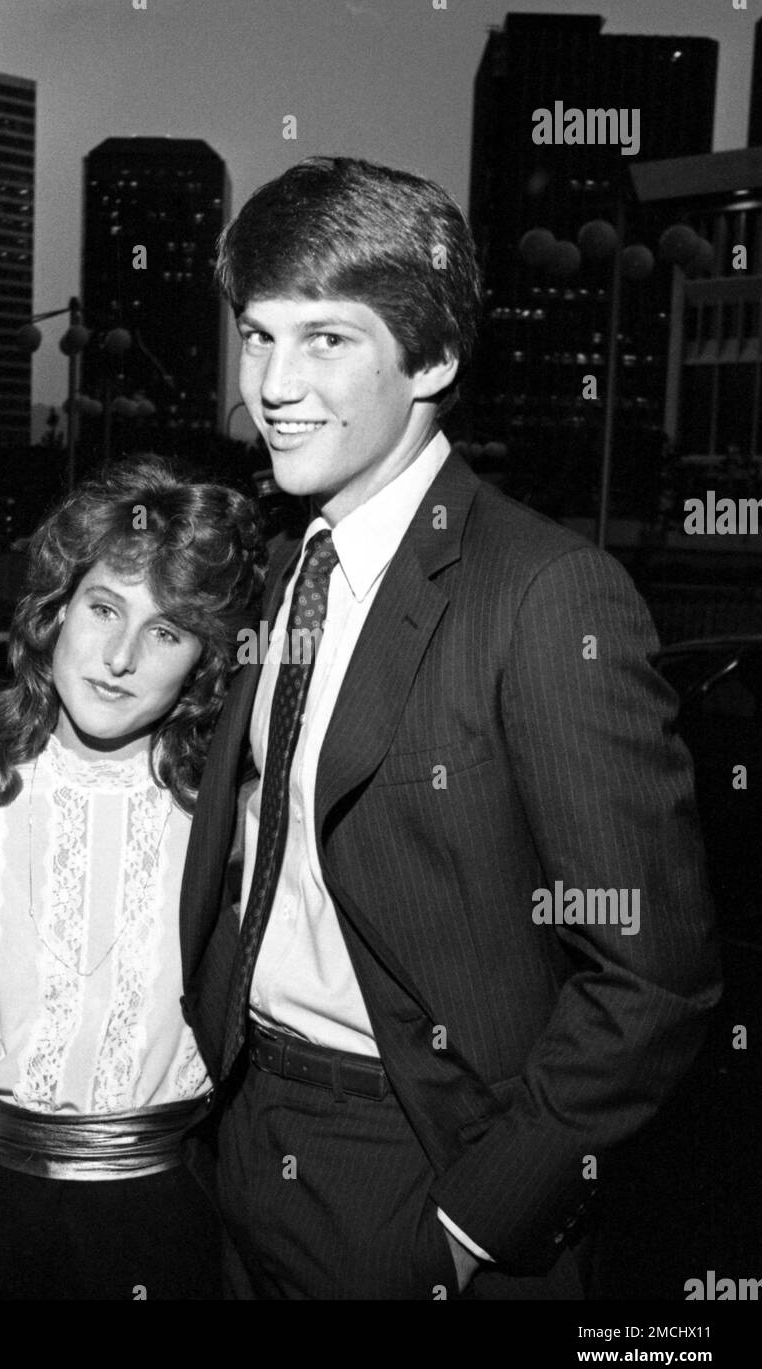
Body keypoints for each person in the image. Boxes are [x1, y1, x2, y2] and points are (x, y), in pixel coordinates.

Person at [179, 156, 721, 1300]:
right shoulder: (288, 566)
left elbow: (653, 973)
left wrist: (481, 1219)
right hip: (244, 1129)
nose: (274, 383)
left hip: (416, 1158)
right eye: (259, 334)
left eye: (327, 338)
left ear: (430, 358)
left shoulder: (545, 594)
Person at [0, 456, 264, 1300]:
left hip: (178, 1237)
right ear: (56, 613)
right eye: (104, 609)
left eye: (167, 631)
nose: (121, 657)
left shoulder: (236, 839)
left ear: (200, 663)